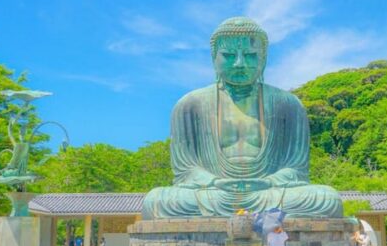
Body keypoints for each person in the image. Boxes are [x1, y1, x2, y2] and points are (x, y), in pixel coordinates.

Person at [141, 17, 342, 219]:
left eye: (250, 55)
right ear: (214, 58)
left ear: (263, 59)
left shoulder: (287, 104)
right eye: (228, 55)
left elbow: (296, 169)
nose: (239, 63)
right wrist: (213, 182)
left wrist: (269, 182)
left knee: (326, 198)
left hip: (269, 192)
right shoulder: (190, 105)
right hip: (214, 193)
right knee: (157, 201)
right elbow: (186, 170)